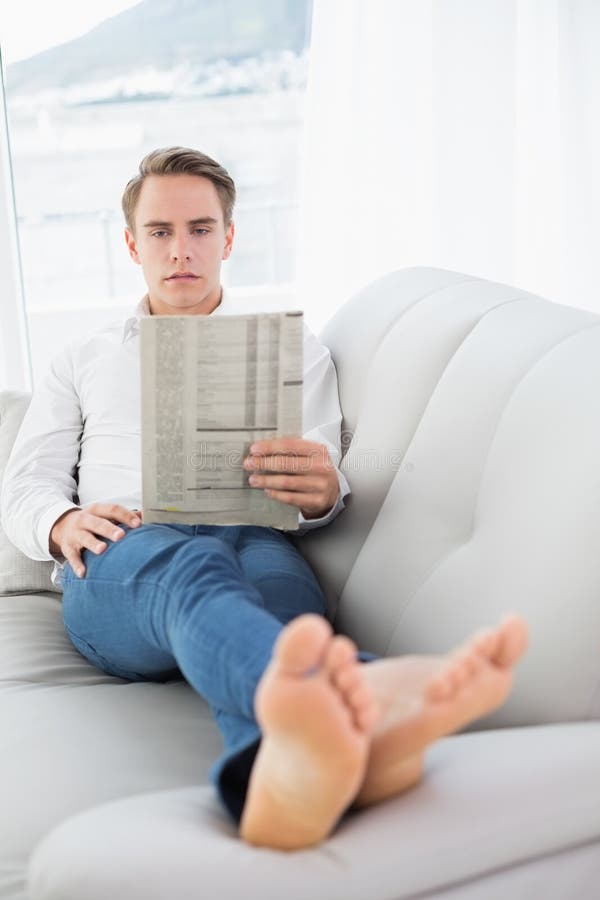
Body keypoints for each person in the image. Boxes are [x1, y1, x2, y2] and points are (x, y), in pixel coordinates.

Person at [0, 146, 528, 852]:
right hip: (124, 555)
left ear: (229, 238)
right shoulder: (83, 357)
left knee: (286, 608)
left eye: (199, 229)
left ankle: (276, 786)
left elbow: (324, 478)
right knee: (193, 572)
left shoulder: (292, 349)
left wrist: (323, 491)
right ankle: (372, 696)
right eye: (160, 231)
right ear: (132, 243)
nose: (180, 249)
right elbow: (24, 485)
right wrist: (63, 520)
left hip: (255, 537)